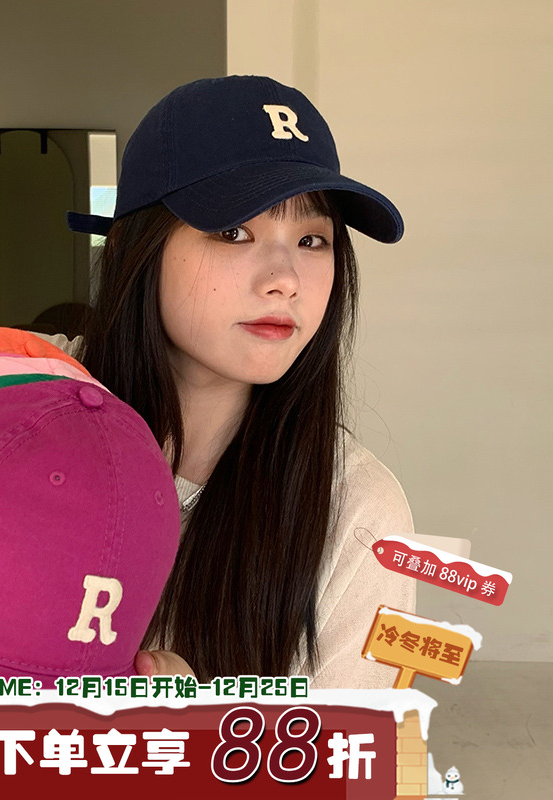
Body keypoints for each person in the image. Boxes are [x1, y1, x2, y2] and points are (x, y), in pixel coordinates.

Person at [43, 75, 415, 689]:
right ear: (137, 248)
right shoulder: (19, 397)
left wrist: (200, 730)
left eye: (312, 239)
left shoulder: (357, 512)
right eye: (233, 231)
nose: (284, 279)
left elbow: (347, 748)